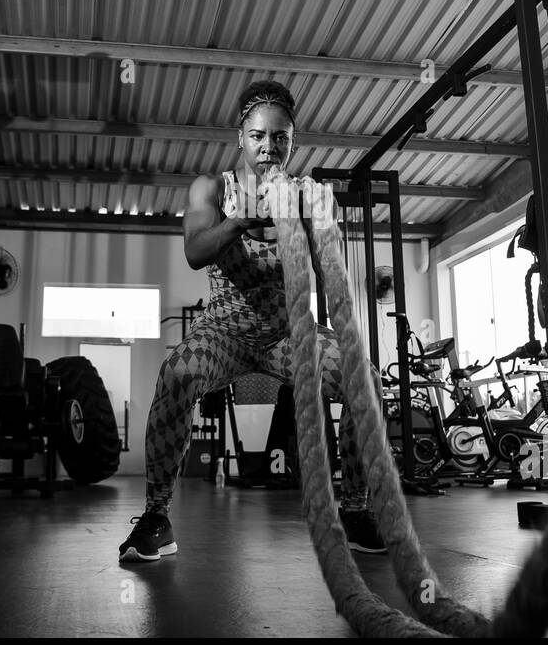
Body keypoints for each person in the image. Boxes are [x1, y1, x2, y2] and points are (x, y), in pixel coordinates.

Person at [118, 80, 386, 562]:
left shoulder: (311, 194)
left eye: (280, 138)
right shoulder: (211, 188)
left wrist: (308, 221)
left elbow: (333, 271)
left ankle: (355, 509)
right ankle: (156, 518)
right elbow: (196, 252)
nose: (269, 148)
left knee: (363, 376)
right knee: (176, 373)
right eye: (259, 136)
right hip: (225, 332)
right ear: (240, 136)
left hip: (288, 333)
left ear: (292, 142)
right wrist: (239, 220)